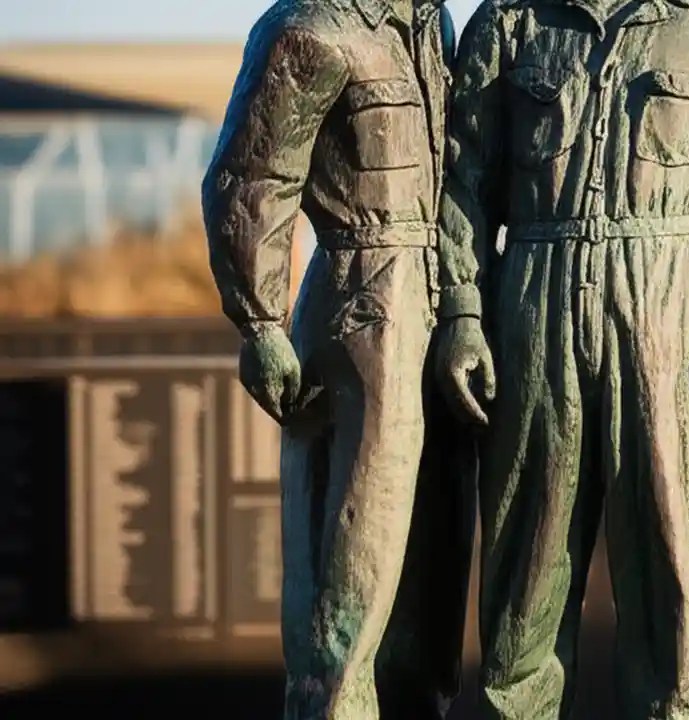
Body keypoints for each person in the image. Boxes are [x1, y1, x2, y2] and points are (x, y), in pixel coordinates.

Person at [432, 0, 689, 715]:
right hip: (533, 304)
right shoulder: (508, 22)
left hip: (667, 315)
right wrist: (463, 311)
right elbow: (462, 178)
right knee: (523, 584)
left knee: (669, 580)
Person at [202, 0, 467, 717]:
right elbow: (251, 177)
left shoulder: (429, 26)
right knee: (347, 591)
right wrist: (260, 321)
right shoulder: (309, 28)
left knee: (427, 597)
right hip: (360, 305)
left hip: (445, 313)